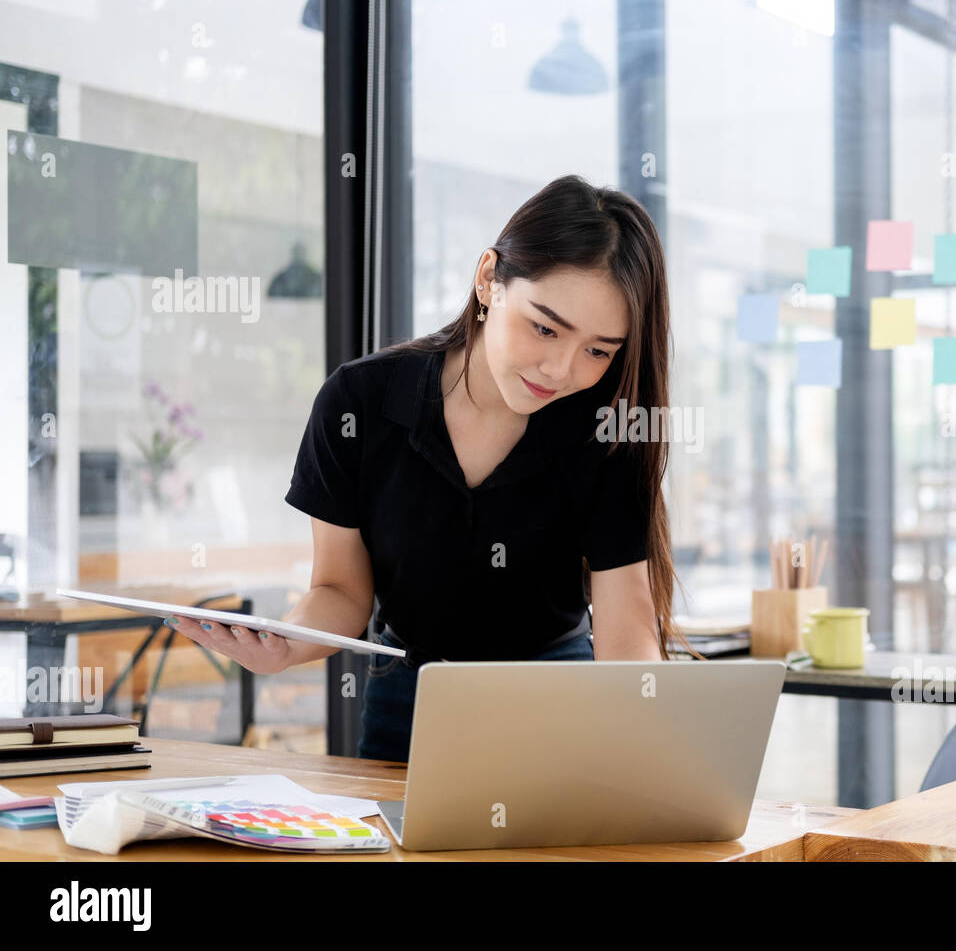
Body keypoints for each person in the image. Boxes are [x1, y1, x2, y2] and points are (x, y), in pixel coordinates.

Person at [165, 175, 698, 761]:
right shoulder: (359, 403)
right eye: (545, 327)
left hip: (557, 704)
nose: (561, 369)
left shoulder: (606, 431)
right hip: (410, 705)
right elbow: (341, 590)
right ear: (489, 280)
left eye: (598, 350)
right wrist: (287, 644)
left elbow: (627, 633)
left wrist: (661, 755)